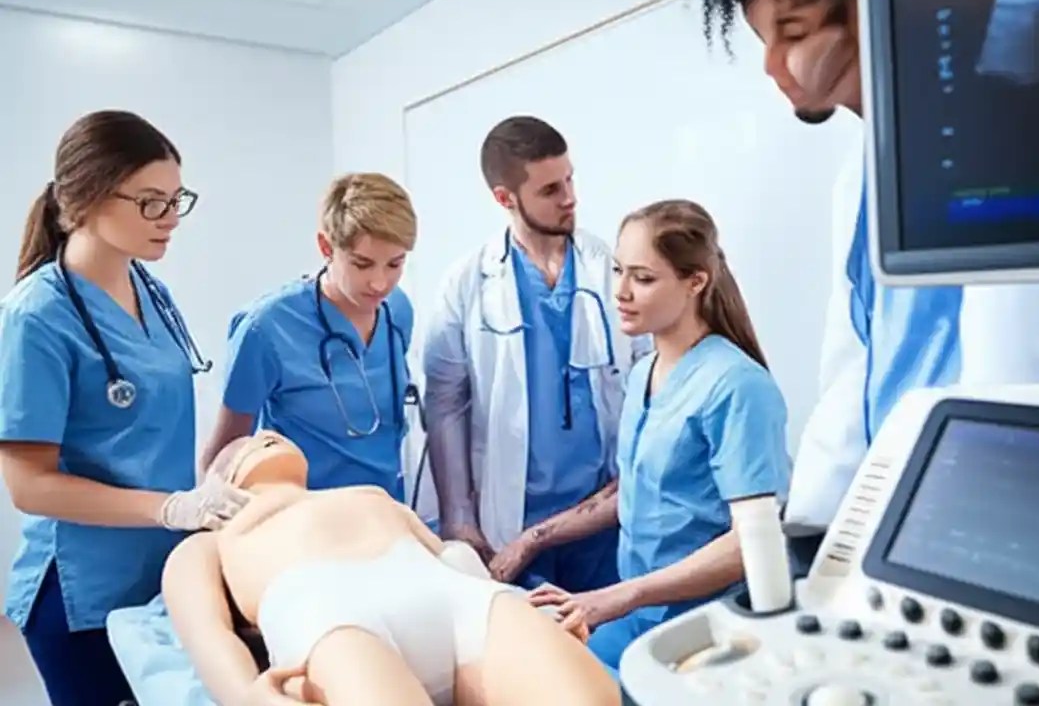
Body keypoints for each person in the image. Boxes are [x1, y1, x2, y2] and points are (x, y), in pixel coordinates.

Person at [688, 0, 1039, 533]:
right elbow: (858, 371)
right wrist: (811, 532)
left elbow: (1017, 368)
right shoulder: (861, 178)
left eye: (792, 33)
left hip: (1018, 505)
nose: (773, 65)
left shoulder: (1018, 127)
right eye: (762, 41)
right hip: (905, 510)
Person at [0, 110, 248, 706]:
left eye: (175, 200)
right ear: (85, 197)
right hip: (81, 592)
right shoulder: (36, 317)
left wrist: (211, 485)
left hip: (158, 576)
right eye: (149, 203)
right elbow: (29, 487)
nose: (169, 220)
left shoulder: (150, 291)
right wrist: (169, 507)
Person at [163, 430, 618, 706]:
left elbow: (455, 562)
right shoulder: (215, 541)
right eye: (242, 449)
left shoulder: (369, 496)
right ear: (218, 488)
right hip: (333, 622)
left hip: (456, 602)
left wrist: (532, 618)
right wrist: (245, 696)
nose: (263, 438)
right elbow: (208, 635)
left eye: (271, 436)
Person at [530, 198, 792, 674]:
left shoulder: (737, 385)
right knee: (544, 669)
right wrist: (534, 540)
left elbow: (749, 542)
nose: (621, 292)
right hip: (639, 615)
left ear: (696, 282)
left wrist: (618, 595)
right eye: (617, 271)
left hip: (707, 623)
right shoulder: (644, 373)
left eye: (644, 278)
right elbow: (640, 490)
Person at [423, 116, 649, 592]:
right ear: (505, 198)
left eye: (570, 180)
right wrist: (459, 517)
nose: (570, 198)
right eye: (549, 190)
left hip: (599, 512)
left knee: (605, 640)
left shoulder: (608, 265)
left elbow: (645, 372)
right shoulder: (467, 283)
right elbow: (445, 404)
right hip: (510, 514)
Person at [198, 173, 420, 501]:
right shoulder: (267, 328)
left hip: (382, 512)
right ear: (326, 247)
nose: (379, 283)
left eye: (395, 264)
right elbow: (222, 457)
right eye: (362, 264)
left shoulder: (397, 310)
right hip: (301, 521)